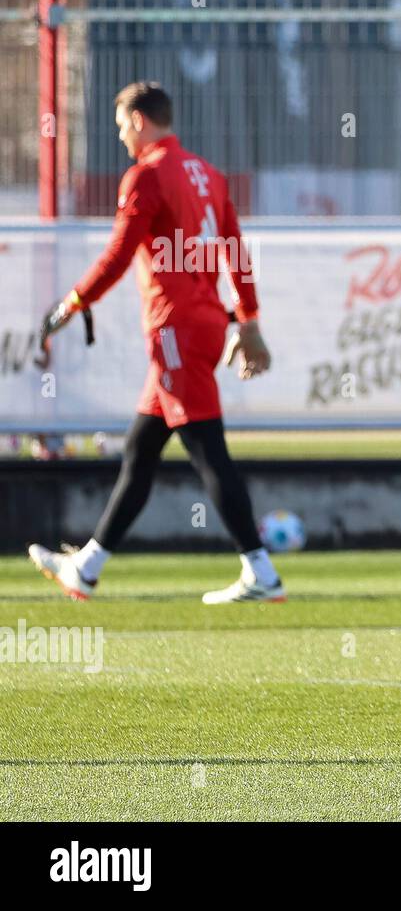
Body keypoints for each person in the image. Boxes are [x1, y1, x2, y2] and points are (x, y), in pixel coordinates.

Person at [27, 81, 284, 605]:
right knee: (142, 450)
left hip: (175, 332)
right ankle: (87, 568)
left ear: (140, 121)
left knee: (207, 447)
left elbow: (120, 254)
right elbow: (236, 249)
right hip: (205, 324)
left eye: (122, 125)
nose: (121, 136)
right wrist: (248, 320)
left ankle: (260, 570)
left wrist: (71, 303)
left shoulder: (146, 175)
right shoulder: (207, 174)